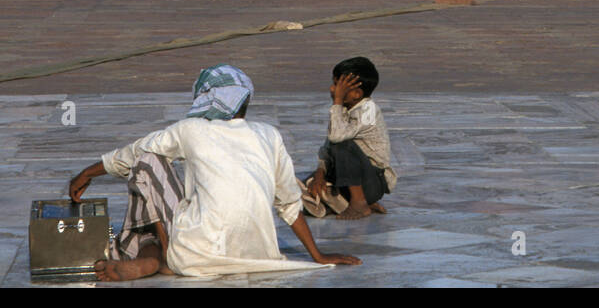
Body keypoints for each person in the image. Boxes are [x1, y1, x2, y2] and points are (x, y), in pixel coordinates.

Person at [67, 64, 360, 280]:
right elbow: (289, 203)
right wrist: (317, 255)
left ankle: (155, 255)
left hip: (195, 256)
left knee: (147, 162)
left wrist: (88, 173)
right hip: (257, 256)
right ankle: (154, 253)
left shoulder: (191, 129)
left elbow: (134, 153)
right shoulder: (268, 134)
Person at [301, 56, 397, 221]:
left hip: (372, 182)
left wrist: (337, 102)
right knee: (309, 189)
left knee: (342, 145)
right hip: (350, 178)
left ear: (356, 93)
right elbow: (327, 147)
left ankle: (359, 202)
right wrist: (320, 174)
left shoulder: (368, 111)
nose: (332, 90)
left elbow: (337, 138)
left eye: (338, 87)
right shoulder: (346, 109)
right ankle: (345, 202)